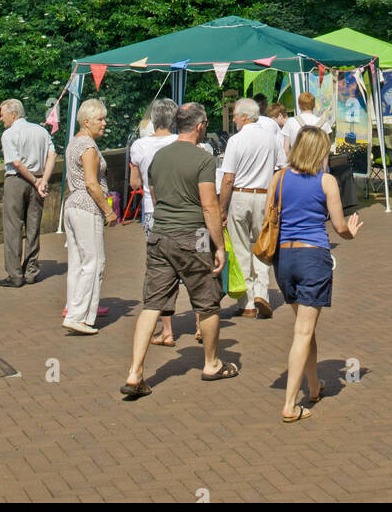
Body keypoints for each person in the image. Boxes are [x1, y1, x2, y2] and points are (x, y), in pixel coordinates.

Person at [121, 103, 231, 399]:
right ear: (199, 126)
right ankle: (211, 363)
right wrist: (218, 246)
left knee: (152, 304)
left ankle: (134, 372)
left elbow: (154, 197)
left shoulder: (157, 157)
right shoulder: (203, 158)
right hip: (193, 234)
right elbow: (209, 205)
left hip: (160, 234)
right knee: (207, 300)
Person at [270, 126, 363, 421]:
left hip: (284, 256)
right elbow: (339, 227)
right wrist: (352, 232)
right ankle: (290, 404)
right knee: (303, 331)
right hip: (313, 256)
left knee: (305, 327)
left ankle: (313, 386)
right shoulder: (326, 182)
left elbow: (269, 217)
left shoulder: (279, 178)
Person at [219, 97, 284, 319]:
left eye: (236, 115)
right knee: (264, 245)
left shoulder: (236, 141)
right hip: (264, 195)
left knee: (240, 247)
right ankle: (262, 292)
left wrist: (221, 208)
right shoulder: (271, 138)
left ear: (245, 116)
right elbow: (280, 169)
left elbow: (228, 178)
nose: (234, 119)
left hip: (240, 195)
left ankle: (246, 302)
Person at [63, 99, 117, 333]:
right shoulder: (88, 147)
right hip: (86, 207)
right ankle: (79, 315)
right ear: (86, 122)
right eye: (100, 119)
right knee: (94, 262)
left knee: (78, 262)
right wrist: (108, 210)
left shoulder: (74, 142)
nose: (104, 123)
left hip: (72, 204)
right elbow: (91, 183)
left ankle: (75, 306)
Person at [129, 98, 178, 345]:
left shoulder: (139, 146)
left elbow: (134, 183)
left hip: (152, 212)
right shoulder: (183, 142)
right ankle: (202, 325)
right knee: (193, 267)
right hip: (182, 212)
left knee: (159, 270)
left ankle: (167, 329)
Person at [0, 99, 57, 288]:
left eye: (2, 114)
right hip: (38, 180)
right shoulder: (41, 131)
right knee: (33, 226)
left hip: (17, 181)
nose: (1, 118)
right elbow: (52, 155)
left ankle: (15, 274)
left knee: (13, 226)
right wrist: (43, 180)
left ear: (13, 114)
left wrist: (35, 180)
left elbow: (16, 163)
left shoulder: (8, 134)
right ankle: (31, 271)